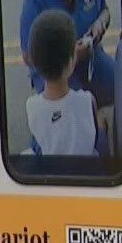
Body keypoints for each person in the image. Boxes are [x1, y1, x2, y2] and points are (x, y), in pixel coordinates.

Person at [18, 0, 120, 150]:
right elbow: (28, 56)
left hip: (93, 59)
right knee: (73, 125)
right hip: (56, 70)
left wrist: (99, 26)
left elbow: (105, 10)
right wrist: (68, 54)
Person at [23, 9, 97, 157]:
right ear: (72, 61)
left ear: (35, 64)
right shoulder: (88, 100)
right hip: (87, 171)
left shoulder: (31, 106)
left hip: (52, 171)